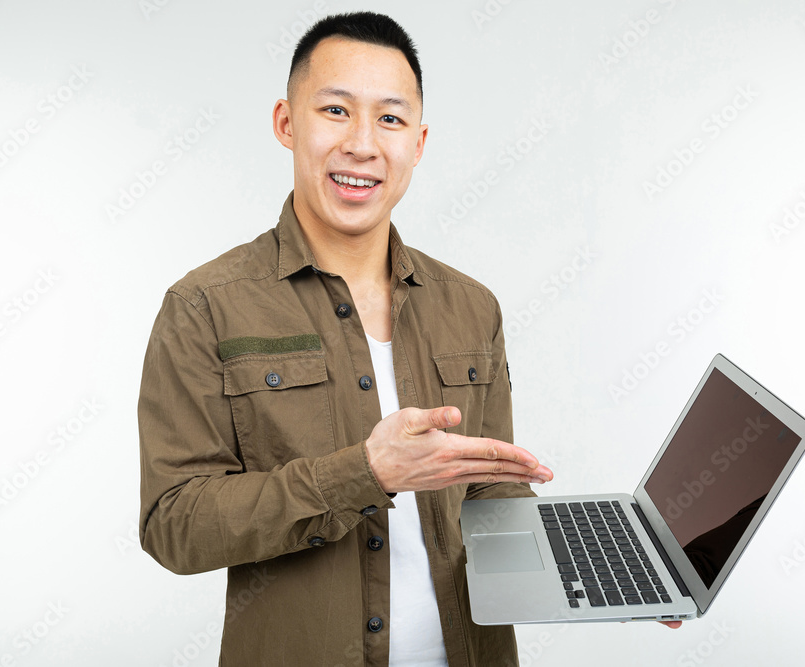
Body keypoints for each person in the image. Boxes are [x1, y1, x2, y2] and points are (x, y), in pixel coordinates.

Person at [138, 11, 553, 666]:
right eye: (336, 110)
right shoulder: (203, 308)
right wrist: (361, 473)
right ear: (286, 122)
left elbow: (491, 495)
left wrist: (610, 581)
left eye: (389, 118)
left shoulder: (473, 308)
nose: (363, 144)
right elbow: (174, 524)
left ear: (418, 142)